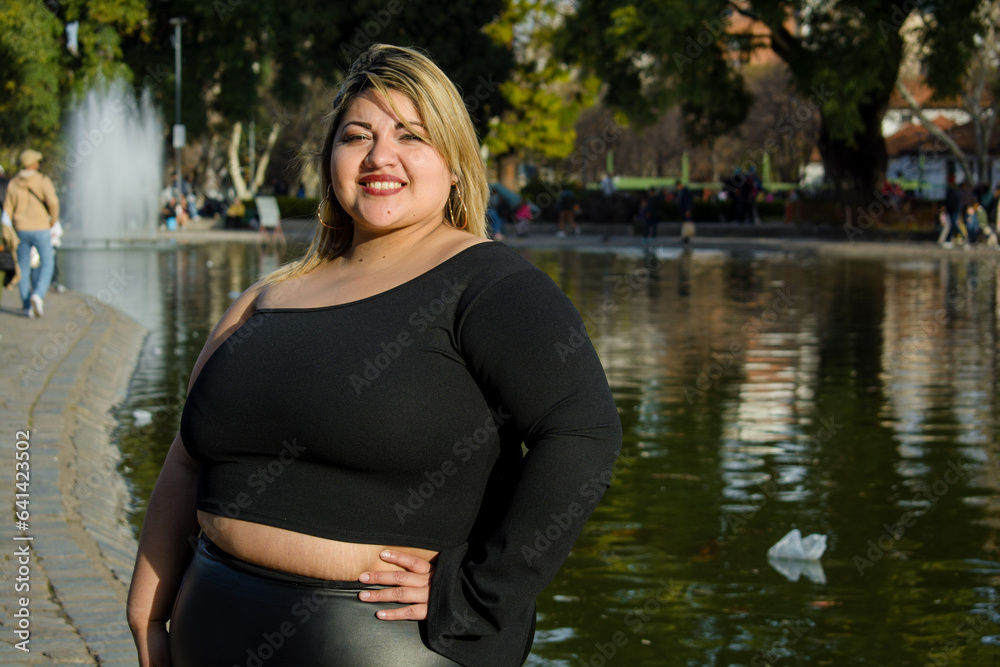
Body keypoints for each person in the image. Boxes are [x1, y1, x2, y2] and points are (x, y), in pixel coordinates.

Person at [126, 43, 622, 667]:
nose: (379, 155)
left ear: (456, 164)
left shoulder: (490, 285)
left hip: (380, 642)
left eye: (411, 135)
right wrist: (147, 611)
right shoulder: (266, 297)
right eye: (357, 135)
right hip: (210, 626)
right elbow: (186, 457)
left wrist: (479, 595)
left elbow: (584, 433)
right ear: (330, 160)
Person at [2, 149, 59, 318]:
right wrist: (53, 221)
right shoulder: (42, 180)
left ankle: (27, 306)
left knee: (23, 267)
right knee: (47, 263)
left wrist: (8, 227)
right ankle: (38, 295)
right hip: (41, 228)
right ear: (34, 164)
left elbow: (8, 208)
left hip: (21, 229)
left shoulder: (14, 182)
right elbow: (53, 201)